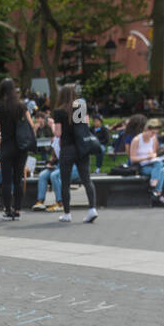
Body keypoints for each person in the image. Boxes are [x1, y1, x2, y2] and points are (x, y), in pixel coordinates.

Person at [50, 84, 99, 223]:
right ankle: (92, 209)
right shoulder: (80, 107)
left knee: (65, 182)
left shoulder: (59, 111)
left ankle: (67, 213)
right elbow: (85, 126)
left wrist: (52, 125)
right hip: (81, 147)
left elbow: (58, 133)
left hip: (67, 148)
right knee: (86, 179)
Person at [0, 77, 36, 220]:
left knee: (6, 180)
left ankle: (7, 210)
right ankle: (17, 210)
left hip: (6, 146)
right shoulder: (21, 106)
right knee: (18, 179)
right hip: (21, 147)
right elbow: (30, 125)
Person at [130, 117, 164, 206]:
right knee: (160, 168)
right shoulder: (137, 140)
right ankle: (156, 192)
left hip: (153, 165)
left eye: (156, 133)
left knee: (160, 168)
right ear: (147, 129)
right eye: (152, 133)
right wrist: (146, 158)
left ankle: (155, 191)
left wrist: (154, 156)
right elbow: (132, 158)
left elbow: (154, 153)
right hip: (142, 166)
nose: (153, 135)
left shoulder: (154, 139)